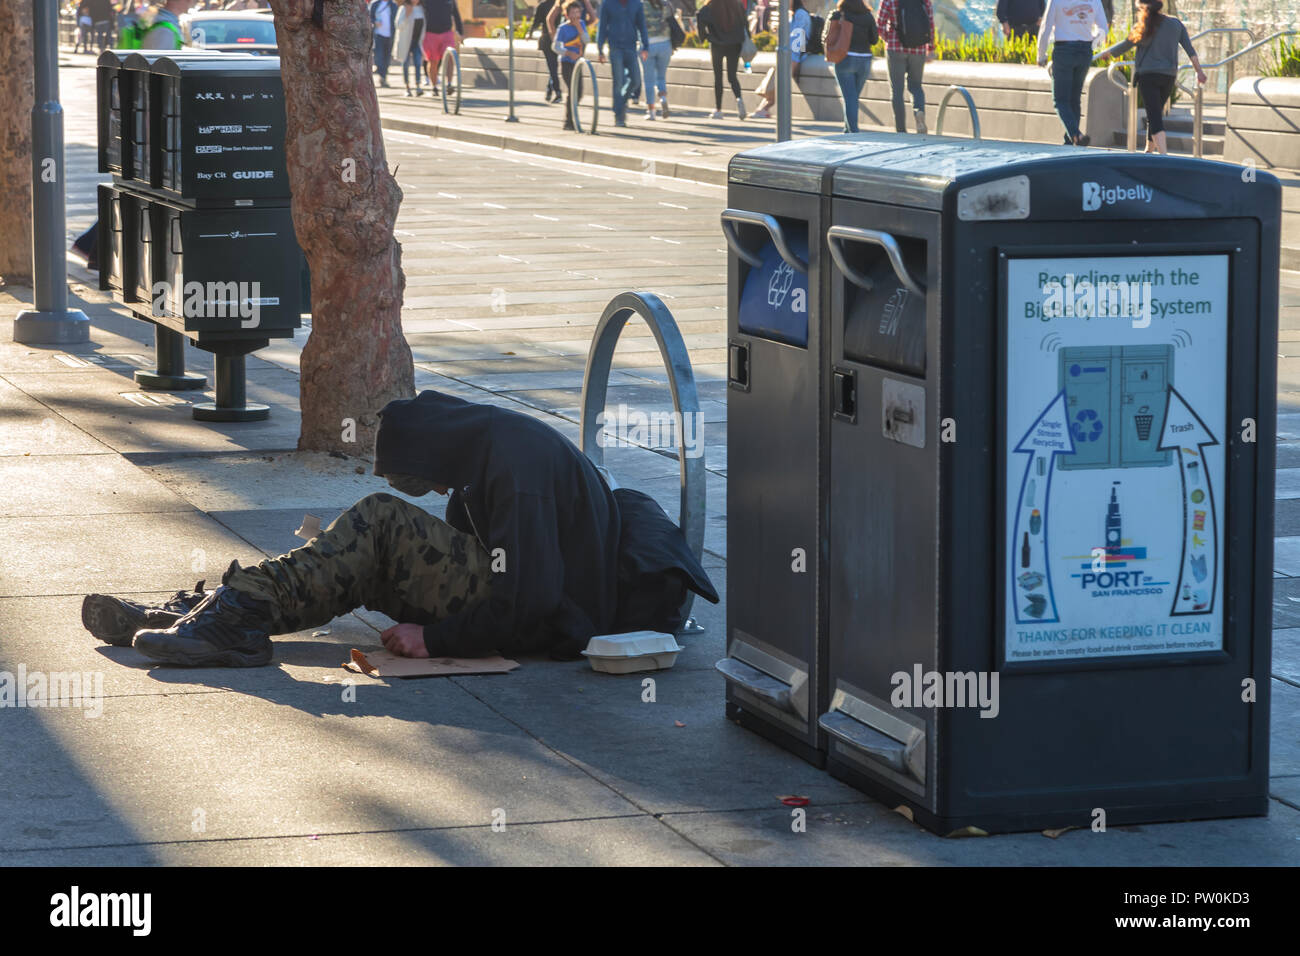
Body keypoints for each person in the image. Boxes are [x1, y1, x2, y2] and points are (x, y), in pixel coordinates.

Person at [81, 390, 719, 668]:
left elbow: (531, 599)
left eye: (425, 481)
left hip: (560, 618)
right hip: (523, 598)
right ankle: (215, 612)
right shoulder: (485, 454)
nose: (436, 493)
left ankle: (237, 614)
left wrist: (436, 637)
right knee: (349, 553)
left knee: (377, 521)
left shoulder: (516, 468)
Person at [1096, 0, 1205, 155]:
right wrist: (1199, 72)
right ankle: (1149, 150)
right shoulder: (1175, 24)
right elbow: (1190, 50)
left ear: (1143, 8)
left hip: (1148, 76)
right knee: (1155, 113)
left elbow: (1125, 45)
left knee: (1154, 118)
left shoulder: (1142, 27)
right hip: (1168, 76)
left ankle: (1164, 156)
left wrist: (1107, 53)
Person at [1037, 0, 1107, 147]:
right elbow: (1103, 29)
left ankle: (1076, 135)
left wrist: (1041, 55)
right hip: (1085, 50)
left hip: (1064, 50)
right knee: (1075, 99)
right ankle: (1069, 141)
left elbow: (1046, 28)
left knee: (1060, 100)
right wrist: (1092, 43)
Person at [876, 0, 932, 135]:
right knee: (916, 86)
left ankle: (901, 130)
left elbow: (880, 24)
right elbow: (930, 23)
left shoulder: (889, 1)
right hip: (918, 49)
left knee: (897, 90)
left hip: (896, 48)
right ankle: (919, 112)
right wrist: (931, 47)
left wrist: (888, 38)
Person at [751, 0, 809, 120]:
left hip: (793, 56)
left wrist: (794, 61)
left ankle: (763, 109)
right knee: (773, 81)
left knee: (777, 83)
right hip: (788, 56)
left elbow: (798, 41)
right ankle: (762, 109)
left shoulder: (800, 15)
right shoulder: (793, 14)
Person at [826, 0, 878, 134]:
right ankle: (847, 130)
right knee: (852, 97)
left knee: (850, 97)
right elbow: (874, 40)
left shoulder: (839, 15)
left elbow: (827, 36)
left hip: (845, 58)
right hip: (865, 61)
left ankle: (853, 131)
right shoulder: (868, 16)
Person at [596, 0, 650, 128]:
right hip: (615, 48)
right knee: (618, 82)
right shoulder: (607, 4)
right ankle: (619, 116)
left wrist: (645, 46)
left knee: (636, 80)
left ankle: (619, 105)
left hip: (631, 48)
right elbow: (602, 26)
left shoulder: (637, 4)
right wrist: (600, 49)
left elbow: (642, 25)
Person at [696, 0, 747, 119]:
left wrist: (704, 37)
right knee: (732, 76)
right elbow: (745, 22)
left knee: (718, 77)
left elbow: (700, 17)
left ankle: (718, 110)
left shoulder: (710, 6)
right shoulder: (737, 4)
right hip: (735, 44)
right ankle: (739, 99)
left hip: (717, 44)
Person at [555, 0, 592, 129]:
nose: (576, 15)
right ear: (567, 15)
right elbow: (556, 47)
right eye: (573, 13)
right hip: (567, 63)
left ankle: (571, 118)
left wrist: (579, 28)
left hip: (578, 64)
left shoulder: (581, 24)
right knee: (572, 89)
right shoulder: (562, 28)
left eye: (578, 12)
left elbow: (587, 40)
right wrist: (568, 53)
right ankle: (569, 121)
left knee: (579, 92)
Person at [641, 0, 676, 119]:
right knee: (661, 76)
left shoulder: (641, 5)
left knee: (648, 80)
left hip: (647, 45)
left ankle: (651, 111)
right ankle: (663, 98)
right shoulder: (666, 4)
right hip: (665, 44)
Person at [422, 0, 464, 95]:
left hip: (447, 32)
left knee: (450, 57)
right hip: (430, 33)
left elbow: (456, 14)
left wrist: (460, 32)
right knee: (433, 61)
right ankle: (434, 87)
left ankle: (449, 84)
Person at [529, 0, 562, 103]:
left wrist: (530, 33)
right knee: (553, 66)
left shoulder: (543, 5)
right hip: (555, 39)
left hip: (549, 38)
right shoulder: (560, 4)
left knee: (552, 66)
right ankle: (554, 91)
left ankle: (552, 90)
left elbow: (536, 22)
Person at [394, 0, 426, 96]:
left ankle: (418, 86)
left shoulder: (421, 9)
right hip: (406, 42)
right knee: (406, 64)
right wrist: (407, 15)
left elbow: (424, 26)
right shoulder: (403, 8)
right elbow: (398, 25)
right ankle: (407, 87)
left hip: (417, 42)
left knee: (417, 63)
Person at [370, 0, 397, 87]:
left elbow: (396, 19)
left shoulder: (393, 5)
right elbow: (369, 17)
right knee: (379, 56)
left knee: (387, 58)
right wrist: (374, 22)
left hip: (390, 36)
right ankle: (381, 75)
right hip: (378, 35)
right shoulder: (375, 4)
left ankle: (383, 77)